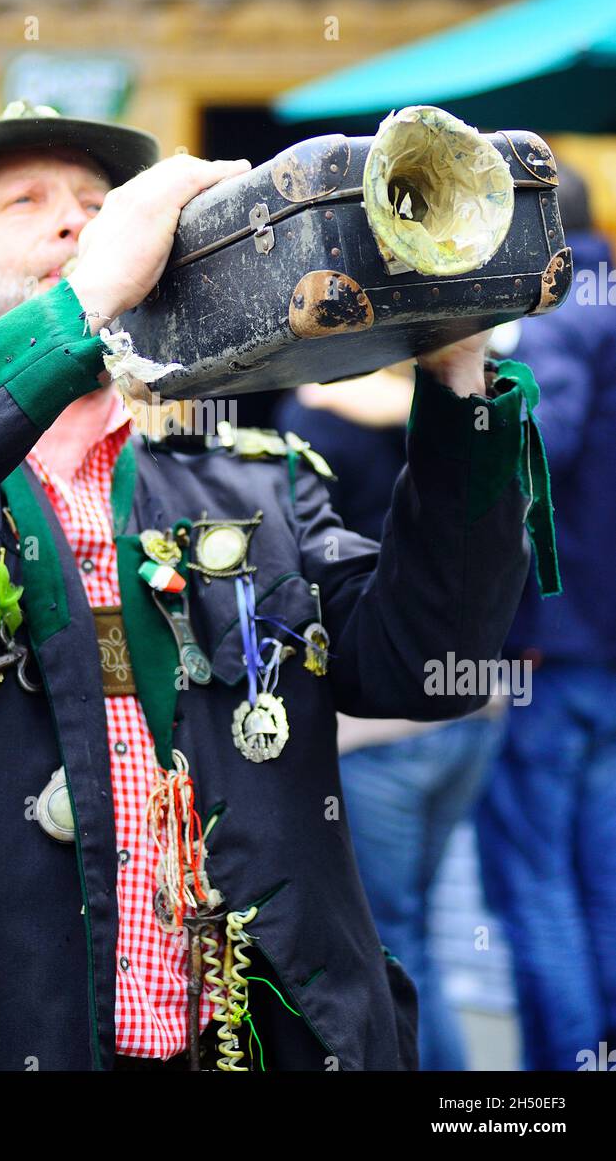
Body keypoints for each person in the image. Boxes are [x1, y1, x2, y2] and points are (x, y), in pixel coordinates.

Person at [0, 99, 537, 1071]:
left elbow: (423, 664)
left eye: (95, 199)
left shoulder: (248, 475)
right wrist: (81, 302)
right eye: (27, 202)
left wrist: (458, 378)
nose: (78, 219)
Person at [277, 366, 507, 1071]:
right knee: (424, 927)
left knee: (392, 940)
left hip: (377, 733)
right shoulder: (447, 407)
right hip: (471, 711)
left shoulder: (309, 421)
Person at [476, 165, 616, 1071]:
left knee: (534, 881)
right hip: (600, 655)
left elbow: (537, 445)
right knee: (600, 875)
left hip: (552, 651)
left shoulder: (561, 315)